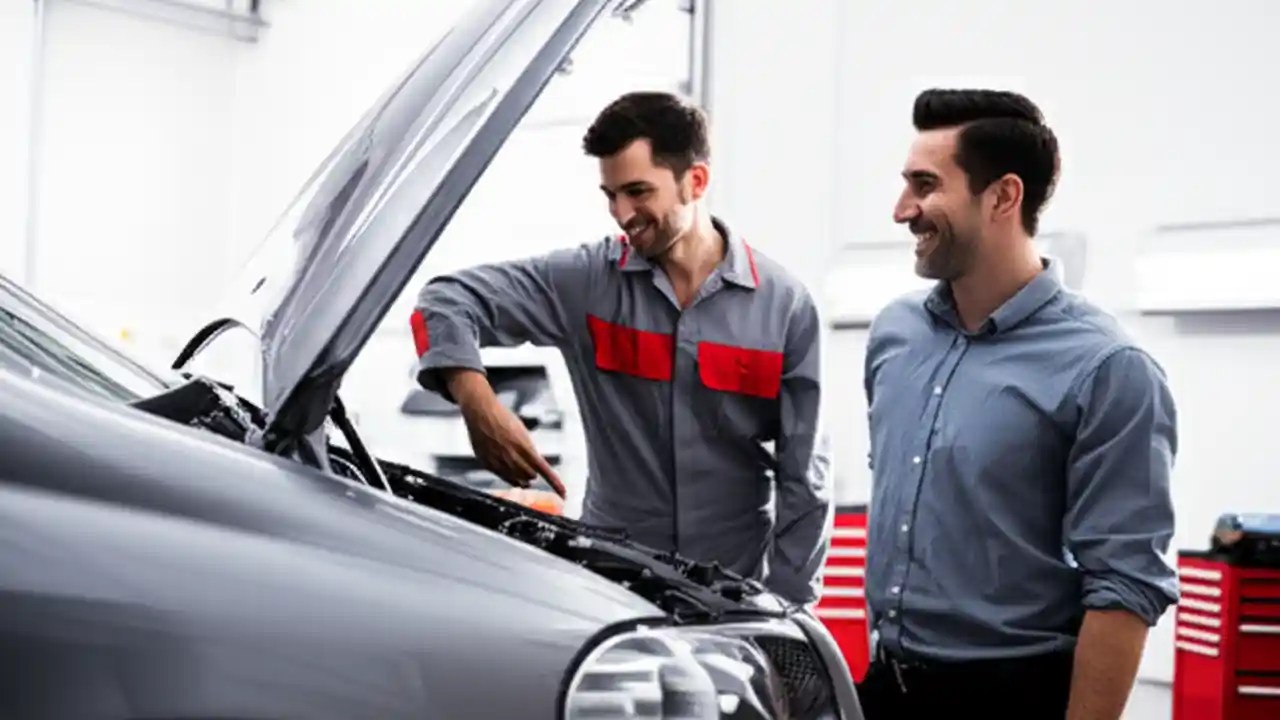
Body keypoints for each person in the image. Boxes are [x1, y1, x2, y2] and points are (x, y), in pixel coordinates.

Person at [408, 91, 834, 607]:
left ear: (694, 181)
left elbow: (804, 479)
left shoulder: (784, 306)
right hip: (612, 591)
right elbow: (445, 299)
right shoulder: (586, 282)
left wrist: (786, 609)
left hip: (732, 595)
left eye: (637, 192)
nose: (621, 214)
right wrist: (479, 405)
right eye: (610, 195)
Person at [858, 87, 1178, 718]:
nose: (902, 210)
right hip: (883, 685)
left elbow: (1124, 588)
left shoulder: (1108, 369)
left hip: (1010, 698)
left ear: (1003, 196)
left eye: (925, 186)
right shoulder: (895, 335)